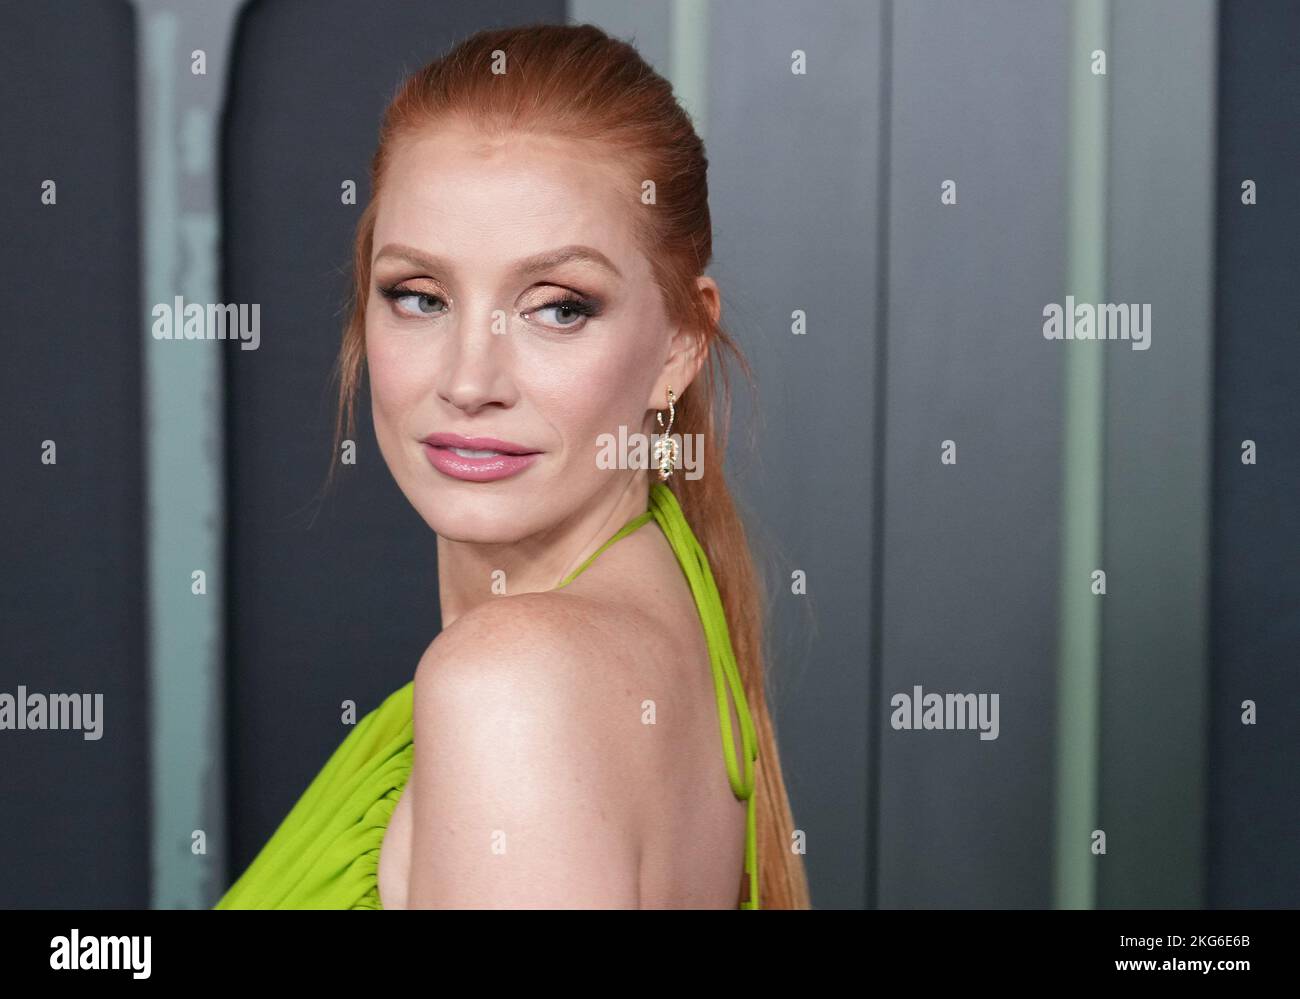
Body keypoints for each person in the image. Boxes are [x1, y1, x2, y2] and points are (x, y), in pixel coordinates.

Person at [215, 21, 810, 910]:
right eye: (419, 296)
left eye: (558, 308)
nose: (468, 379)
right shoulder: (667, 602)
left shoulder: (509, 691)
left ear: (681, 342)